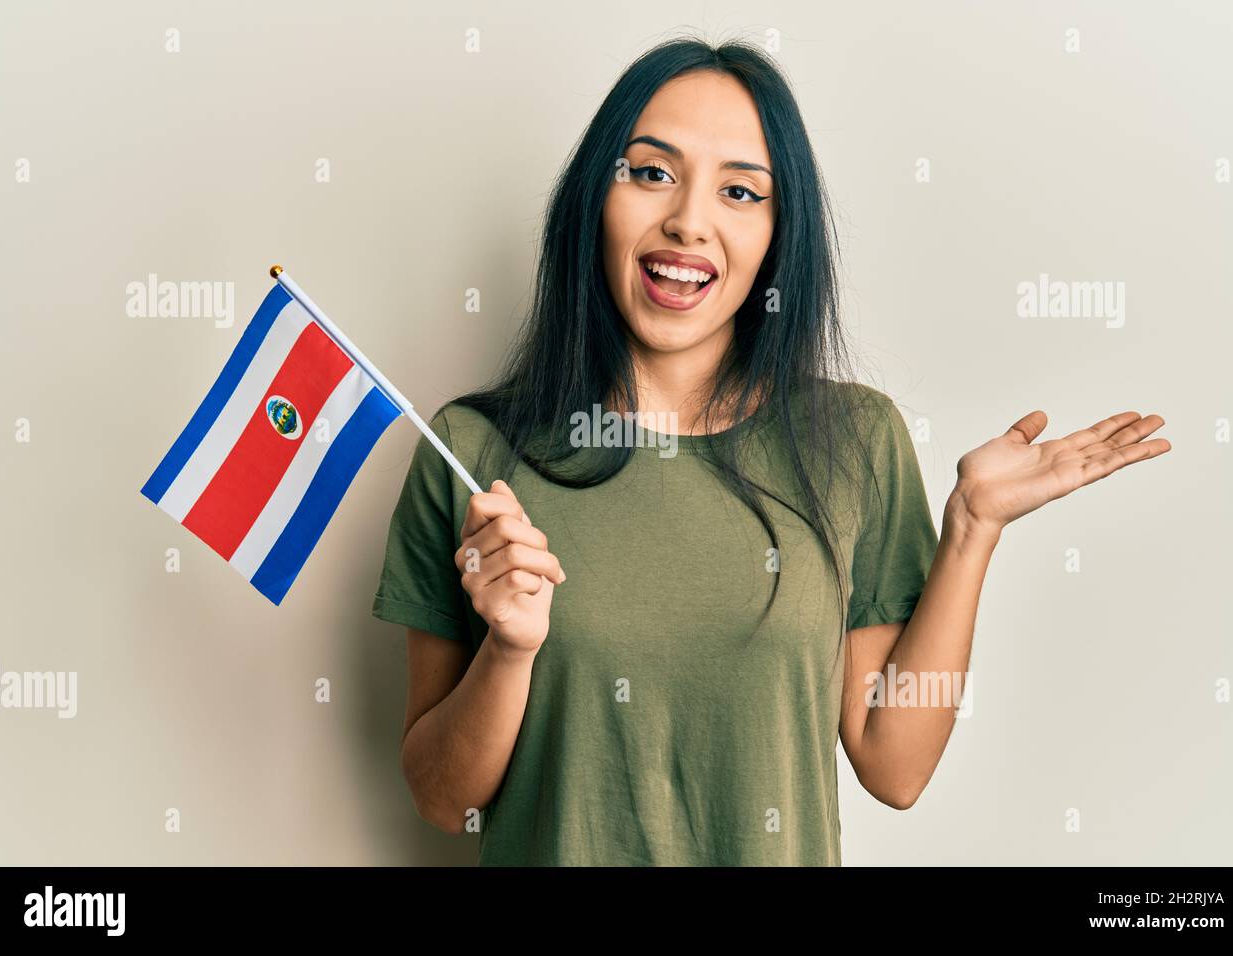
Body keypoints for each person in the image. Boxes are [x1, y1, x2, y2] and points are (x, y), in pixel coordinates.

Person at [370, 37, 1171, 866]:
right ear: (591, 202)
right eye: (650, 172)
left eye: (741, 191)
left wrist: (971, 528)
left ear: (777, 238)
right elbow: (439, 798)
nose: (688, 218)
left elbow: (895, 768)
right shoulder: (470, 451)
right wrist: (509, 648)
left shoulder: (855, 441)